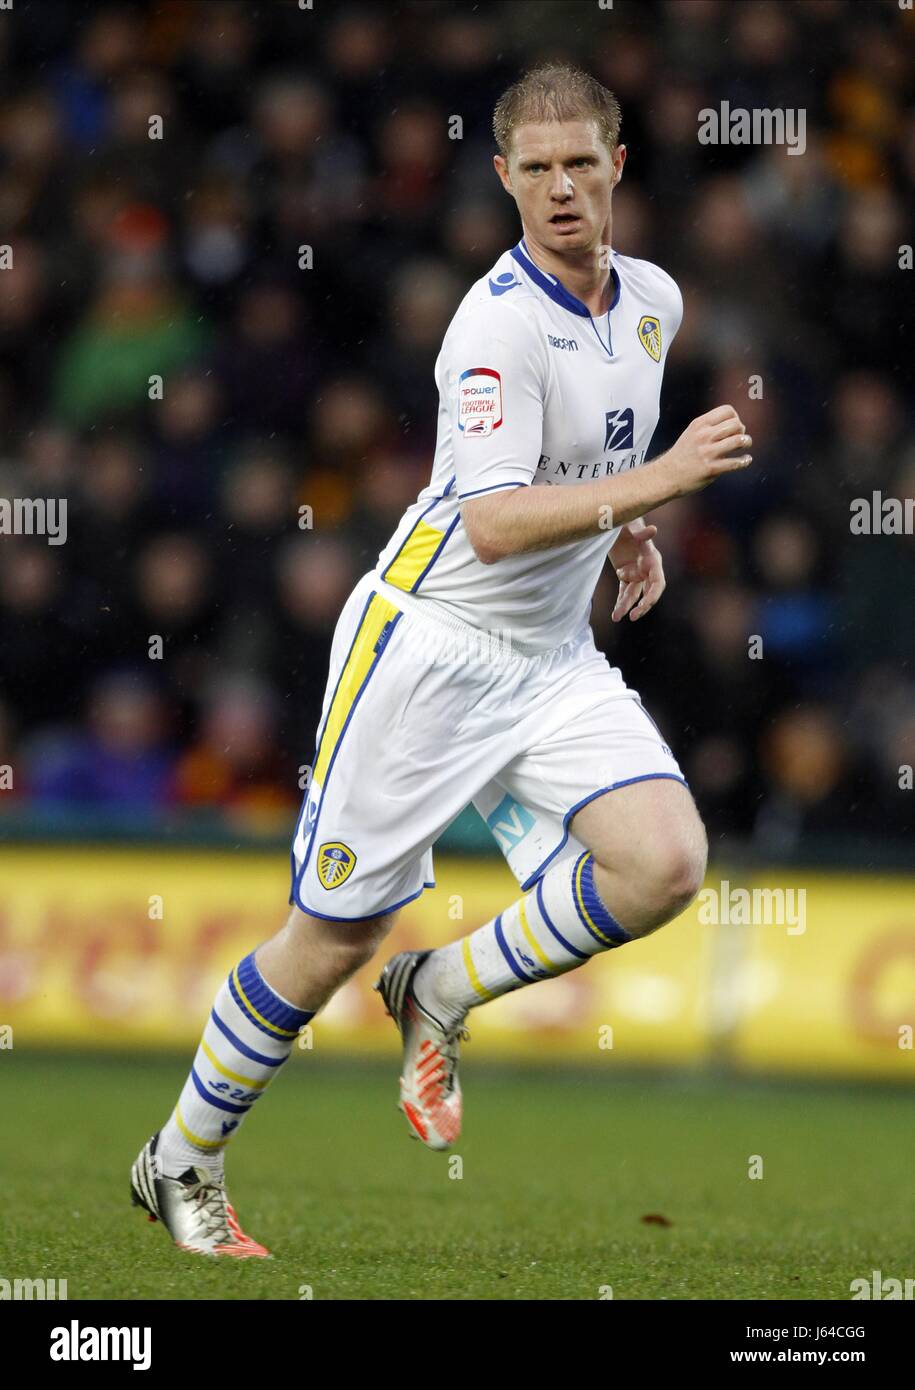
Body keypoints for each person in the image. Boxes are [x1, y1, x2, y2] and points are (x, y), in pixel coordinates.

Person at [131, 62, 753, 1257]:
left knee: (667, 860)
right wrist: (666, 480)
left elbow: (593, 447)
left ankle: (444, 990)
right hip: (432, 648)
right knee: (333, 935)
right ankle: (181, 1157)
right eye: (536, 170)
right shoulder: (494, 324)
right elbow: (491, 521)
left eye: (582, 163)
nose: (562, 189)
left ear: (619, 165)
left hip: (550, 655)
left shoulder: (655, 302)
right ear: (503, 181)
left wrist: (632, 527)